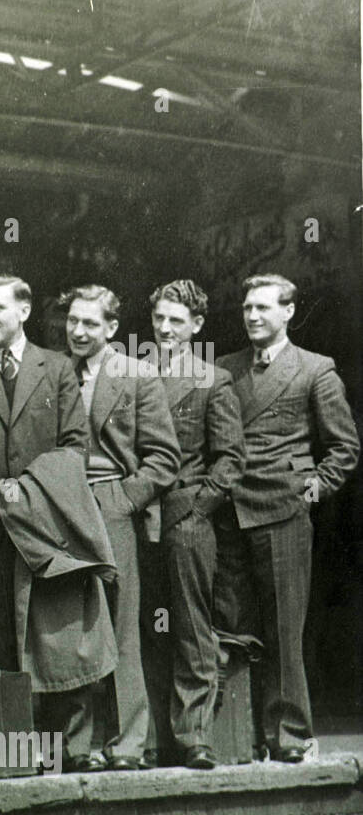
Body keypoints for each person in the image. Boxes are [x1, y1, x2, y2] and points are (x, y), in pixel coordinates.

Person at [0, 275, 107, 771]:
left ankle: (72, 751)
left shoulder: (56, 368)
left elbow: (74, 444)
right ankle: (11, 753)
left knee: (59, 637)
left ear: (24, 311)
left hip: (48, 525)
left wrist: (31, 494)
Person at [214, 273, 359, 762]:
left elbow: (343, 446)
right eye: (247, 308)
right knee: (234, 626)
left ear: (288, 312)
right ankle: (244, 734)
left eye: (263, 308)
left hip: (281, 511)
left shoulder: (314, 369)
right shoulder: (224, 368)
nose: (253, 316)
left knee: (282, 630)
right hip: (230, 509)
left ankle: (291, 734)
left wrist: (312, 488)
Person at [61, 285, 180, 770]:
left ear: (112, 328)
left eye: (91, 323)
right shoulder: (53, 371)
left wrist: (124, 501)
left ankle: (128, 744)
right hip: (63, 505)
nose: (79, 331)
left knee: (122, 625)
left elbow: (164, 458)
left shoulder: (136, 375)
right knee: (73, 625)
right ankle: (77, 745)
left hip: (112, 503)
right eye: (73, 321)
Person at [139, 280, 245, 770]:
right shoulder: (135, 375)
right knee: (147, 626)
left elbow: (229, 461)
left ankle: (194, 735)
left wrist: (197, 509)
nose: (164, 329)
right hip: (141, 515)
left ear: (197, 325)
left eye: (176, 321)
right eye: (159, 319)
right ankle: (155, 738)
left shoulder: (211, 380)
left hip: (187, 520)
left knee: (190, 626)